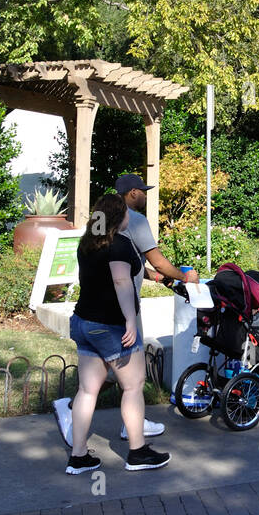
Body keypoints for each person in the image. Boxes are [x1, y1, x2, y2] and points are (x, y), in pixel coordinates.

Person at [66, 194, 170, 474]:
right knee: (133, 386)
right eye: (125, 212)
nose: (129, 217)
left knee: (88, 390)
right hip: (111, 325)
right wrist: (130, 321)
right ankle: (137, 452)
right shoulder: (119, 244)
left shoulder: (88, 243)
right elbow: (121, 280)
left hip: (83, 322)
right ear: (118, 216)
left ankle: (78, 458)